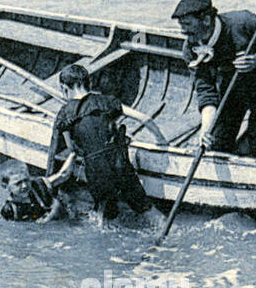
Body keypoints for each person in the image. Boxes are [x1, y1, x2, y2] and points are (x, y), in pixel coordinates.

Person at [46, 64, 167, 223]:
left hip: (97, 170)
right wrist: (161, 140)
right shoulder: (107, 101)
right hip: (120, 163)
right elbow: (145, 119)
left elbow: (72, 149)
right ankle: (168, 233)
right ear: (88, 83)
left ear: (64, 88)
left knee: (103, 219)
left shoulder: (65, 113)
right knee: (147, 209)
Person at [172, 0, 256, 158]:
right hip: (232, 86)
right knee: (215, 144)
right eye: (181, 25)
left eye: (188, 25)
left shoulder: (243, 22)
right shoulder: (190, 50)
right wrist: (206, 128)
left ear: (205, 20)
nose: (183, 31)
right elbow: (205, 90)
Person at [0, 159, 64, 222]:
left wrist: (72, 155)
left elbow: (62, 174)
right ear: (5, 186)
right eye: (18, 183)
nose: (24, 186)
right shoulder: (9, 210)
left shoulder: (39, 186)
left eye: (26, 180)